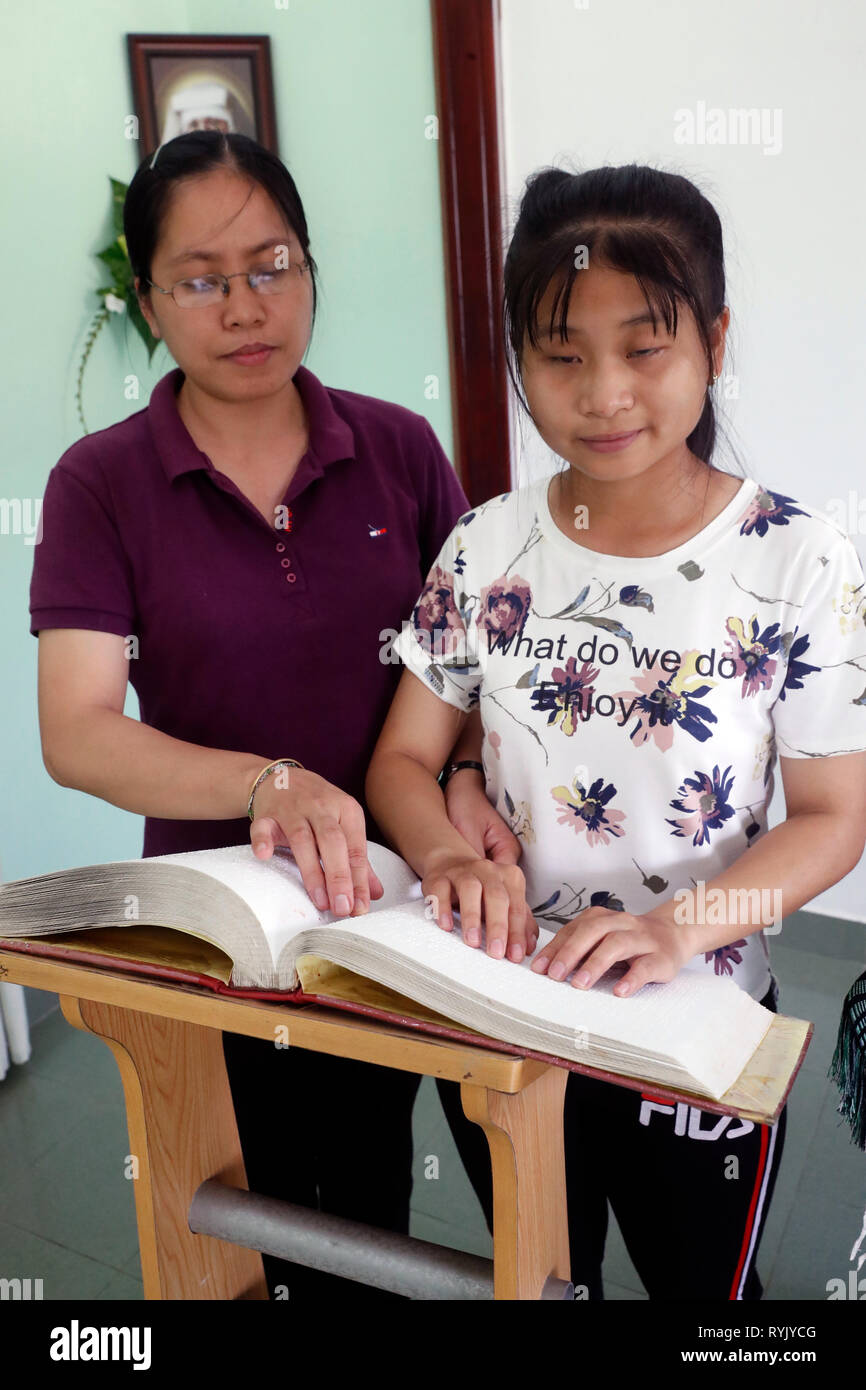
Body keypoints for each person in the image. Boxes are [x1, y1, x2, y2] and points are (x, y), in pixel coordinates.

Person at [29, 130, 520, 1301]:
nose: (245, 306)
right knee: (291, 1214)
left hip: (424, 894)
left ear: (310, 270)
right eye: (200, 278)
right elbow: (80, 727)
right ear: (145, 299)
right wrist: (266, 784)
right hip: (233, 925)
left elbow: (466, 675)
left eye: (272, 264)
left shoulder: (397, 447)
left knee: (483, 1193)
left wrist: (455, 793)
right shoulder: (97, 483)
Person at [366, 162, 866, 1300]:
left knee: (704, 1295)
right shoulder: (484, 546)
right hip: (501, 1007)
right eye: (559, 354)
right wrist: (442, 851)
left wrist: (679, 930)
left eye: (643, 348)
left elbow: (834, 820)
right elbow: (400, 757)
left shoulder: (795, 560)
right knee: (543, 1279)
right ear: (516, 362)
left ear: (712, 340)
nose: (602, 393)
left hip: (695, 1014)